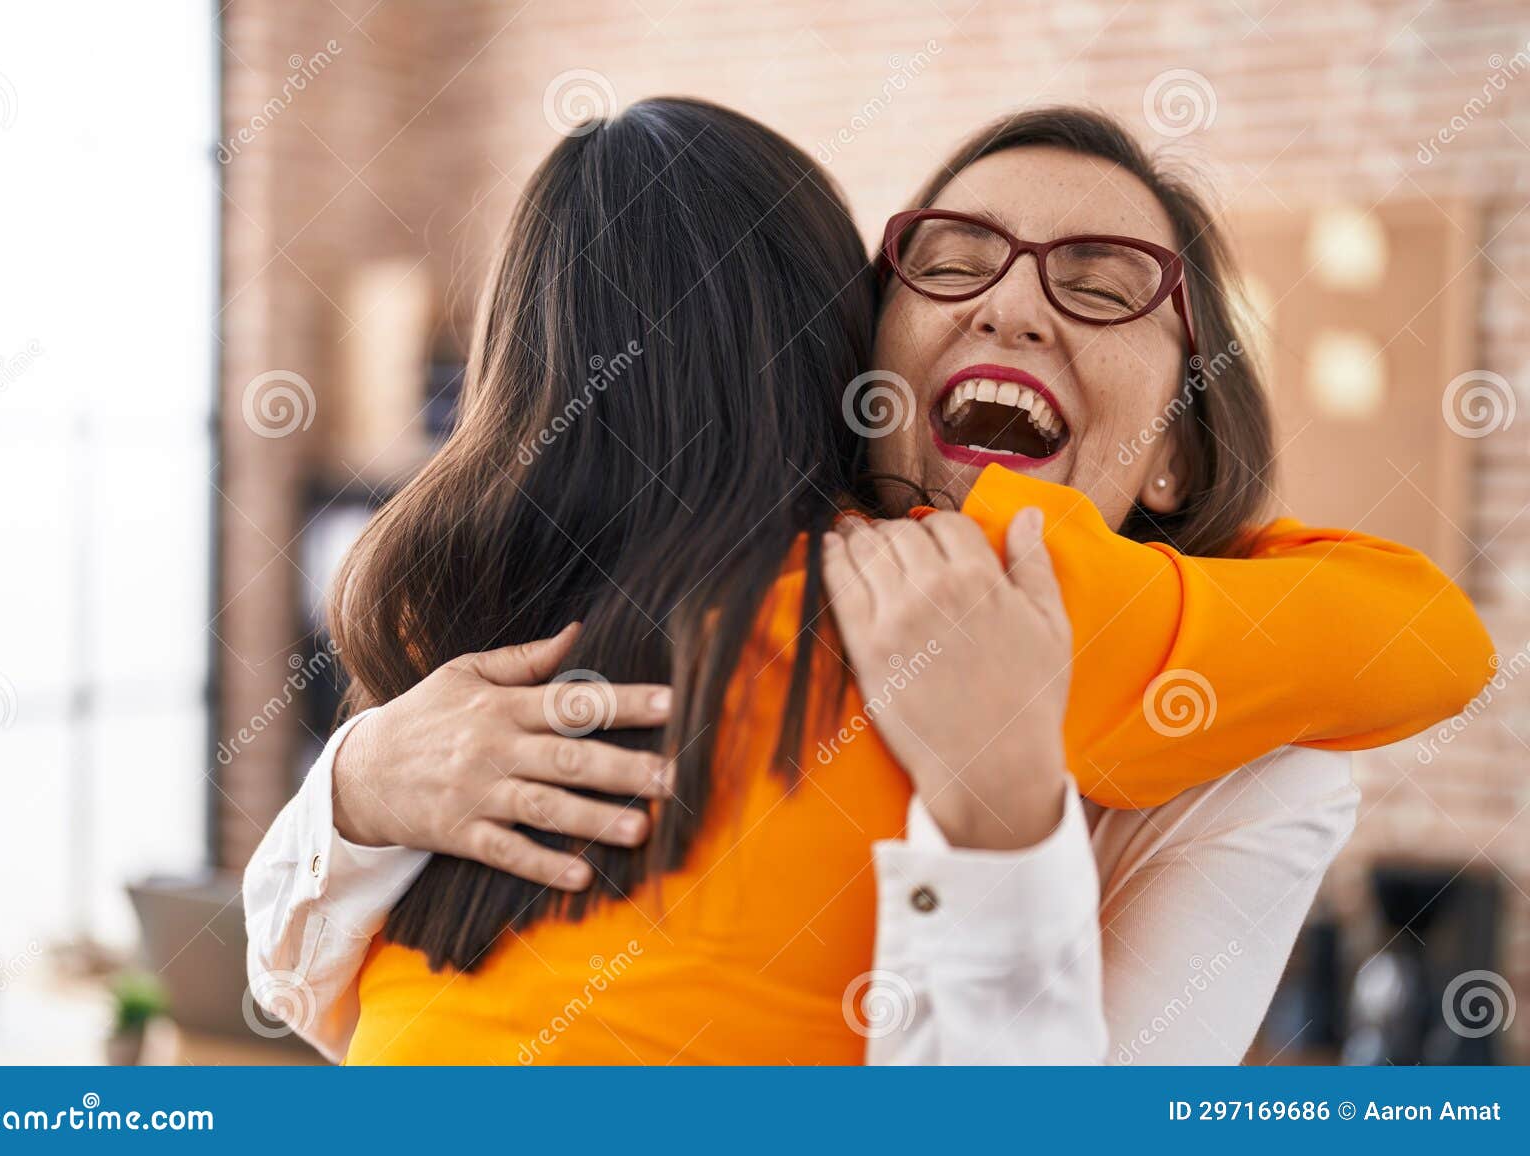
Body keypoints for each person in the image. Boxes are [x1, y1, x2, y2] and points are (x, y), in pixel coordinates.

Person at [244, 102, 1491, 1064]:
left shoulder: (497, 580)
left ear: (1178, 444)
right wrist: (357, 786)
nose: (1010, 303)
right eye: (951, 261)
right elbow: (302, 974)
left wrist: (998, 805)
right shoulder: (624, 618)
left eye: (1104, 286)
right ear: (853, 350)